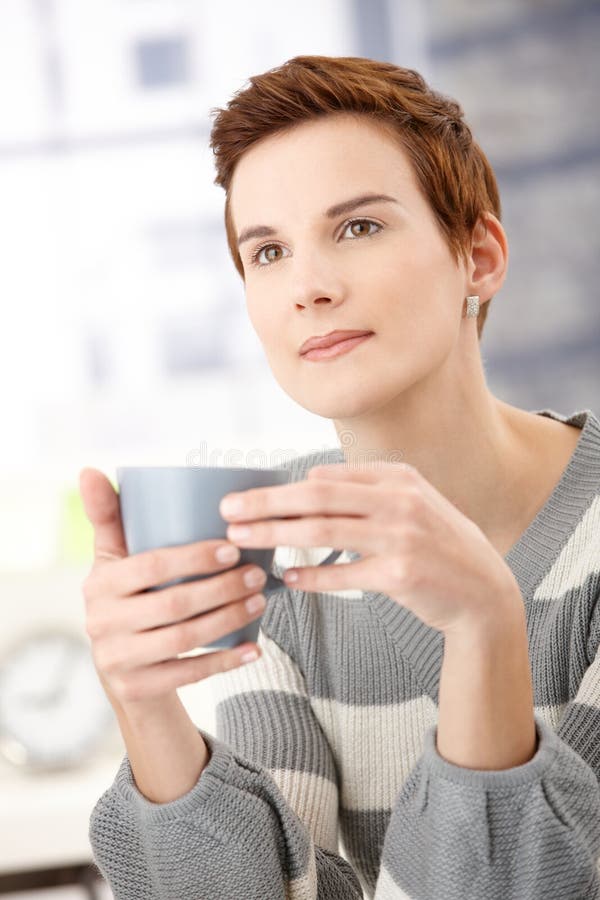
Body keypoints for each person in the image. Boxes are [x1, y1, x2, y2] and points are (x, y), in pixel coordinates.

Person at [81, 56, 600, 899]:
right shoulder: (269, 546)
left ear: (478, 255)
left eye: (358, 227)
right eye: (269, 251)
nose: (309, 288)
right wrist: (146, 710)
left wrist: (485, 628)